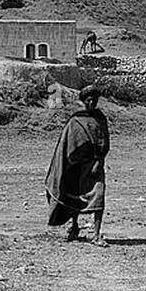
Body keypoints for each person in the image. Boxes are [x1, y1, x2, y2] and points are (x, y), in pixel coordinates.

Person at [45, 83, 110, 247]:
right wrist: (71, 160)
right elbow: (68, 143)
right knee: (74, 196)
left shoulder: (100, 119)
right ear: (83, 101)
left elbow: (105, 141)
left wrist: (99, 160)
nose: (92, 103)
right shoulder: (76, 120)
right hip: (76, 165)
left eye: (94, 100)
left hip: (94, 165)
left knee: (98, 197)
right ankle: (74, 227)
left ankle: (96, 234)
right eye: (89, 100)